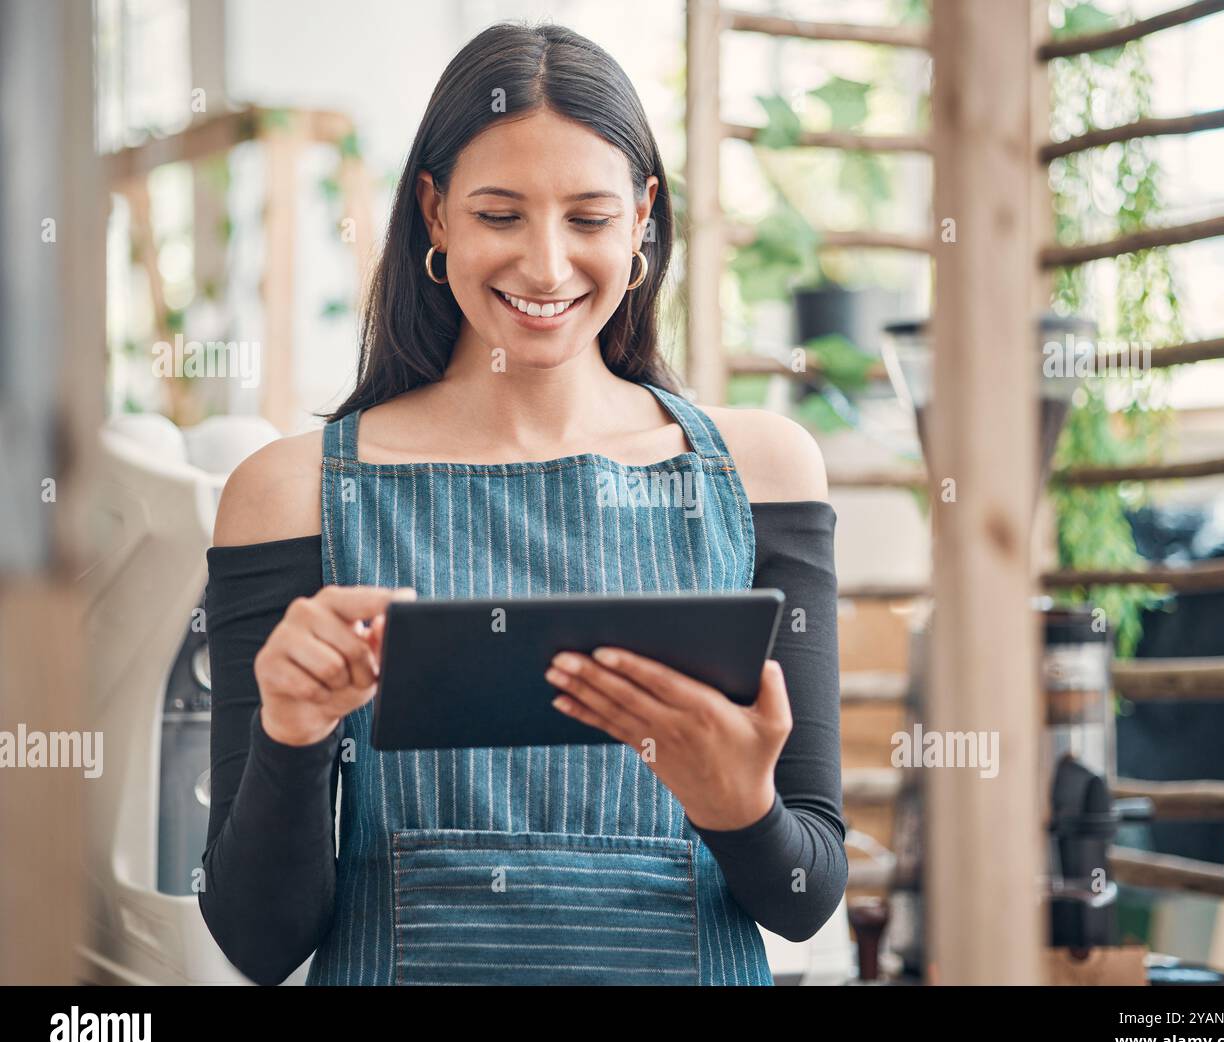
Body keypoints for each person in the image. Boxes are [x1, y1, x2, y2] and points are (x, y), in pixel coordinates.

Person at [200, 20, 847, 987]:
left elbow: (805, 901)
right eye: (500, 214)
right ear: (435, 213)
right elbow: (259, 943)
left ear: (641, 221)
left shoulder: (762, 471)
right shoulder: (287, 493)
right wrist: (292, 737)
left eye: (588, 218)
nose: (546, 267)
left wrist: (739, 808)